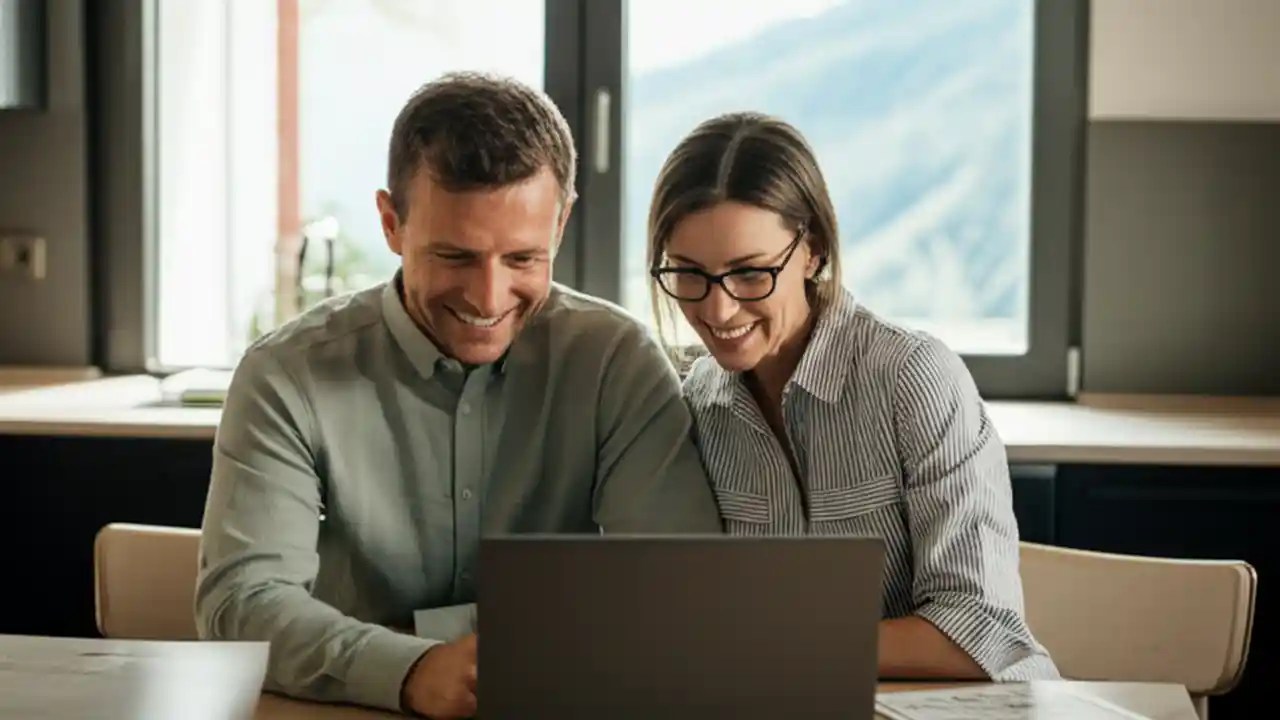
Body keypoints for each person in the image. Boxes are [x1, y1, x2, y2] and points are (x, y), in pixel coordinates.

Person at [196, 72, 721, 718]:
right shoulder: (286, 375)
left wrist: (431, 646)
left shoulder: (617, 363)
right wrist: (411, 669)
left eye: (523, 260)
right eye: (455, 256)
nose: (488, 298)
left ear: (562, 225)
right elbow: (240, 604)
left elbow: (680, 590)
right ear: (392, 223)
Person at [646, 111, 1058, 681]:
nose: (717, 310)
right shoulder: (699, 406)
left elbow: (979, 631)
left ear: (811, 249)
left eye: (750, 274)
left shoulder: (912, 379)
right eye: (689, 274)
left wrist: (771, 646)